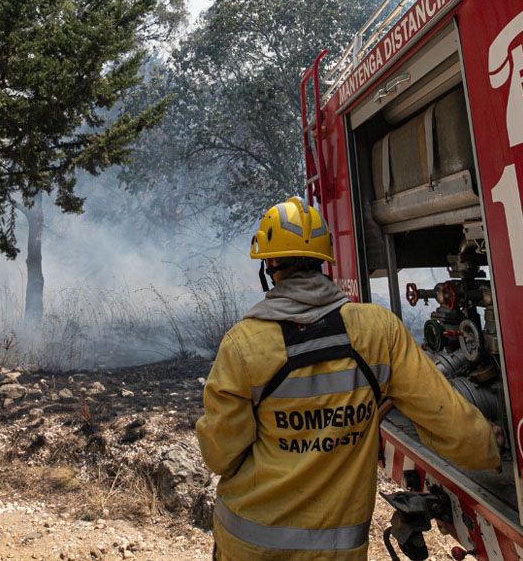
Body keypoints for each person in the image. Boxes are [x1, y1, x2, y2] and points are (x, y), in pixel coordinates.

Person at [196, 197, 501, 561]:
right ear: (323, 260)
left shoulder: (243, 344)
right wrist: (486, 443)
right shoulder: (377, 331)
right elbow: (441, 413)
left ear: (270, 265)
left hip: (249, 544)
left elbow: (220, 455)